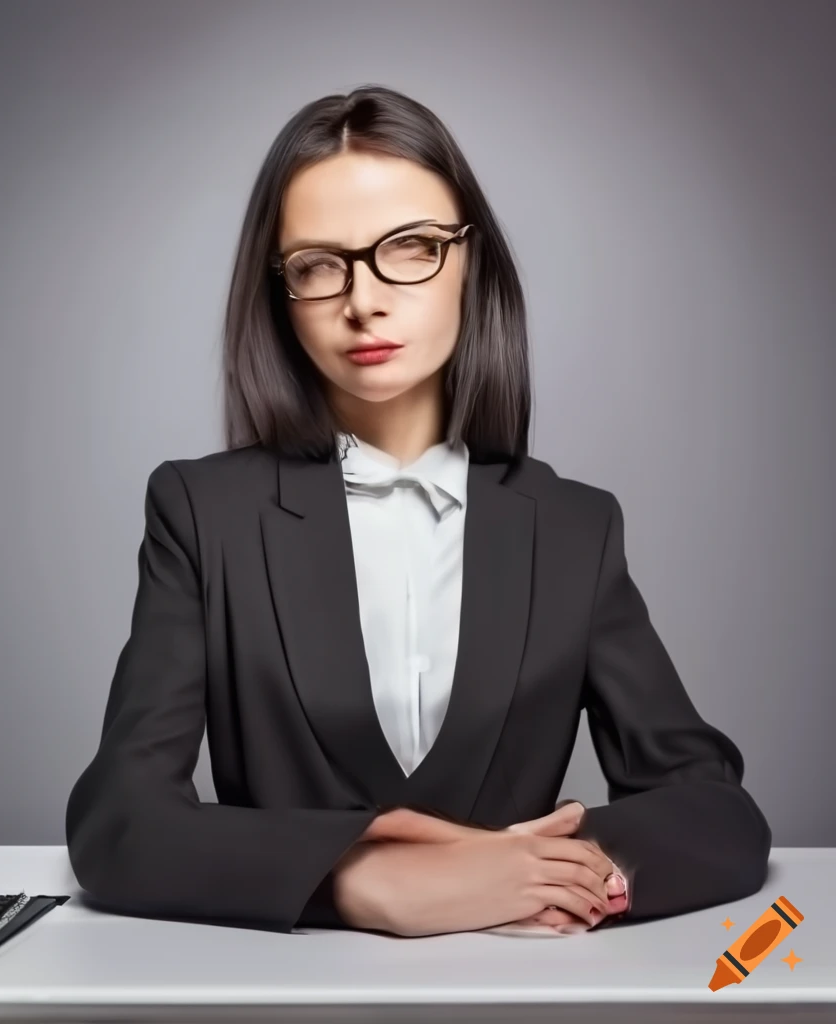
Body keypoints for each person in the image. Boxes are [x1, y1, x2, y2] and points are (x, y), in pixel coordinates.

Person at [65, 84, 771, 938]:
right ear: (280, 291)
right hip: (282, 997)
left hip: (522, 997)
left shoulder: (575, 529)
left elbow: (719, 812)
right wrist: (360, 882)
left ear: (470, 259)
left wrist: (551, 878)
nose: (363, 299)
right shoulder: (201, 511)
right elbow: (119, 821)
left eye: (411, 247)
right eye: (319, 264)